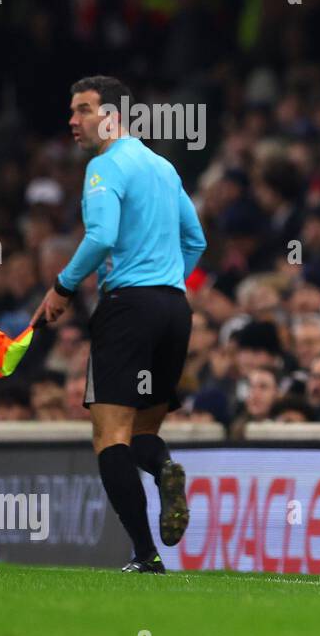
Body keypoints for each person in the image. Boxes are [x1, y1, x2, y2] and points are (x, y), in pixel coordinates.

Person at [30, 76, 207, 574]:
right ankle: (165, 468)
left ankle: (146, 555)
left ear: (112, 116)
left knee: (110, 437)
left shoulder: (103, 167)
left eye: (83, 109)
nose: (73, 121)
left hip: (128, 308)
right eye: (72, 111)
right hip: (174, 308)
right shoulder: (164, 166)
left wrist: (63, 287)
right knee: (144, 433)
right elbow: (195, 241)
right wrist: (167, 277)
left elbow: (102, 235)